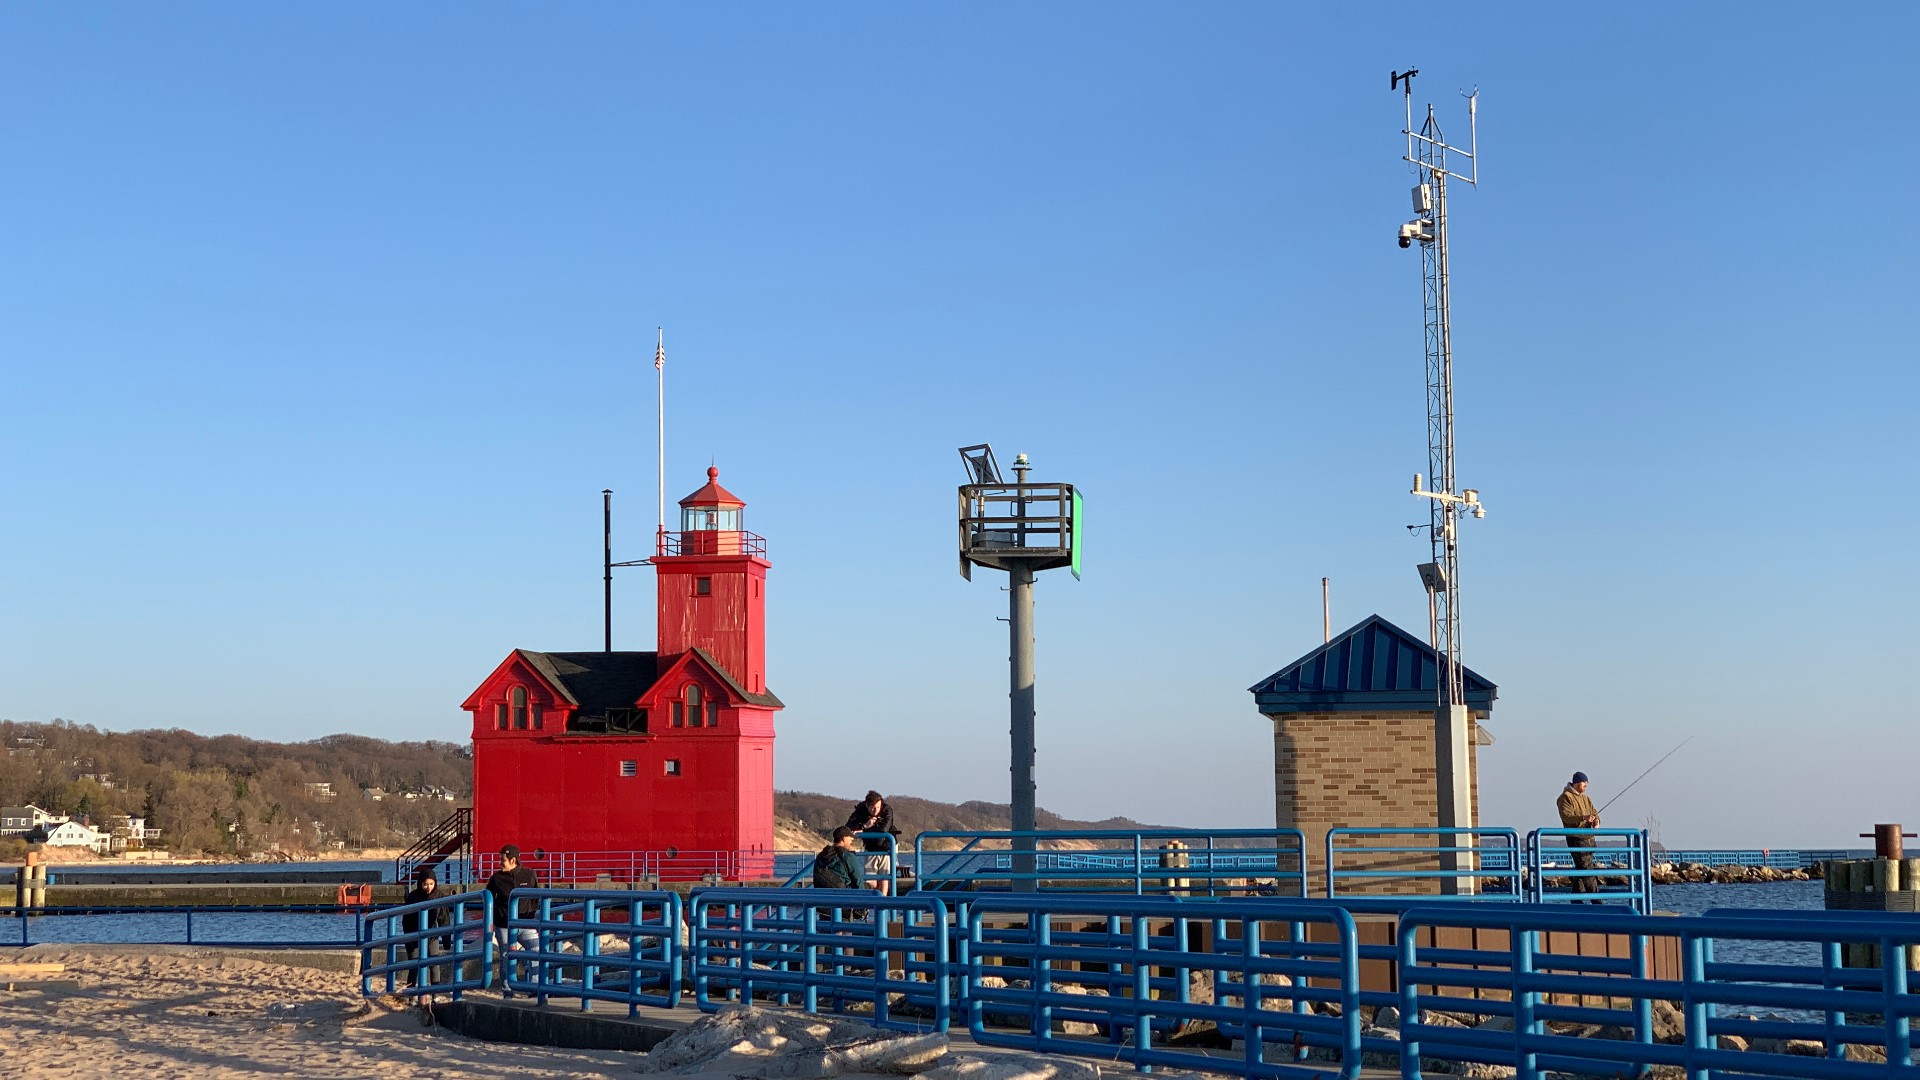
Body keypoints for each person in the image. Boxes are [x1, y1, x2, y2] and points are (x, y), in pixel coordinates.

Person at [485, 844, 540, 994]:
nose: (499, 862)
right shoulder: (496, 878)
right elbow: (488, 899)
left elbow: (536, 896)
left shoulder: (529, 874)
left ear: (513, 860)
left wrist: (530, 913)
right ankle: (507, 990)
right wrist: (494, 919)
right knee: (506, 956)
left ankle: (534, 988)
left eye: (502, 859)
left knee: (535, 950)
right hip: (504, 924)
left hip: (525, 923)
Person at [400, 868, 452, 989]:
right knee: (414, 965)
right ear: (420, 884)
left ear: (435, 883)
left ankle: (435, 993)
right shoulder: (413, 897)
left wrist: (446, 941)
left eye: (431, 884)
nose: (428, 887)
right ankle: (411, 993)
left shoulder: (439, 896)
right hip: (413, 935)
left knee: (434, 964)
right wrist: (408, 939)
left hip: (432, 935)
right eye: (425, 884)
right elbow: (406, 920)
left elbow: (444, 919)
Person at [844, 791, 902, 895]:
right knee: (870, 881)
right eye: (873, 808)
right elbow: (848, 827)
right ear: (867, 805)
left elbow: (883, 829)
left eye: (878, 807)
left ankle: (882, 904)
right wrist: (865, 825)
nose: (876, 810)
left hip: (887, 847)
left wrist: (864, 831)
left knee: (884, 878)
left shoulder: (887, 810)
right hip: (870, 848)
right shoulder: (860, 810)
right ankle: (876, 898)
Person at [1556, 771, 1601, 901]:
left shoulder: (1586, 798)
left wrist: (1596, 820)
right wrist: (1583, 818)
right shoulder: (1565, 797)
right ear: (1576, 783)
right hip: (1576, 839)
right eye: (1584, 782)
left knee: (1581, 870)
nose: (1586, 785)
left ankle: (1576, 900)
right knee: (1587, 870)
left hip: (1589, 839)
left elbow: (1594, 812)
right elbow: (1567, 817)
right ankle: (1597, 901)